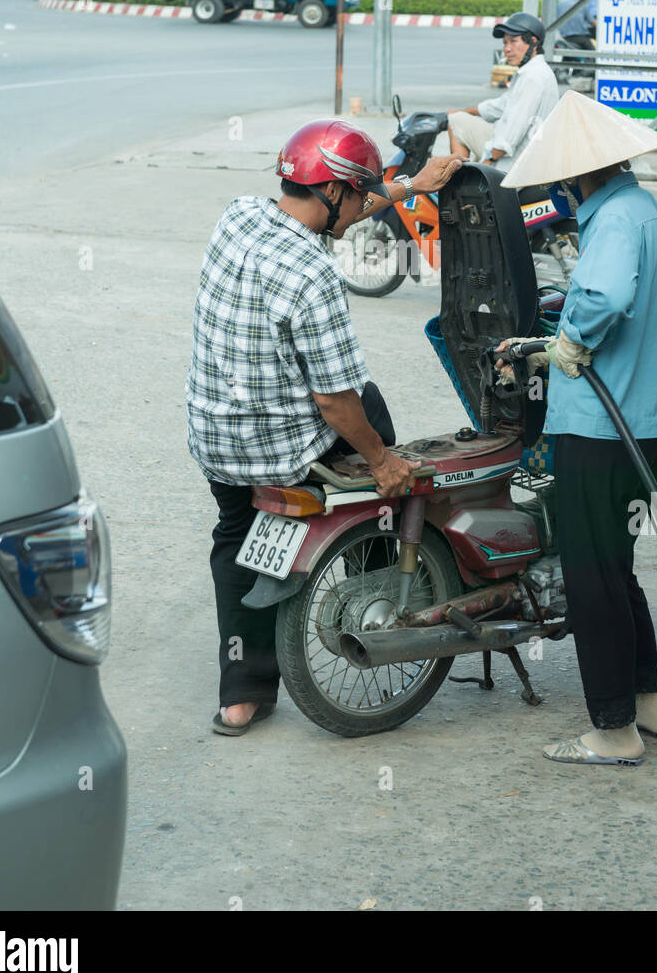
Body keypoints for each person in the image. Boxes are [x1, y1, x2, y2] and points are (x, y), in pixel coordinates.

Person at [185, 120, 461, 737]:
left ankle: (241, 696)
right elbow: (335, 401)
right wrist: (385, 463)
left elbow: (338, 206)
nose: (365, 206)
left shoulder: (239, 216)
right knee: (370, 413)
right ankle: (384, 596)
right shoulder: (312, 274)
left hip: (214, 435)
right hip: (283, 447)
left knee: (233, 533)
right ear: (334, 193)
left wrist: (408, 186)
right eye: (359, 196)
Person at [498, 91, 657, 767]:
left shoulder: (611, 222)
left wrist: (570, 340)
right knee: (615, 571)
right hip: (646, 423)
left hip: (603, 429)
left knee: (589, 577)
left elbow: (604, 297)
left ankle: (612, 731)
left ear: (574, 177)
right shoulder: (649, 215)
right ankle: (648, 704)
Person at [447, 12, 559, 173]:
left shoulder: (533, 77)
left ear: (533, 42)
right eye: (505, 43)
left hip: (514, 161)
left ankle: (460, 179)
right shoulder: (530, 72)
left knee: (454, 121)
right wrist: (461, 112)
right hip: (519, 151)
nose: (507, 49)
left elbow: (513, 132)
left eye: (513, 42)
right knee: (456, 117)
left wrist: (488, 161)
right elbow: (499, 106)